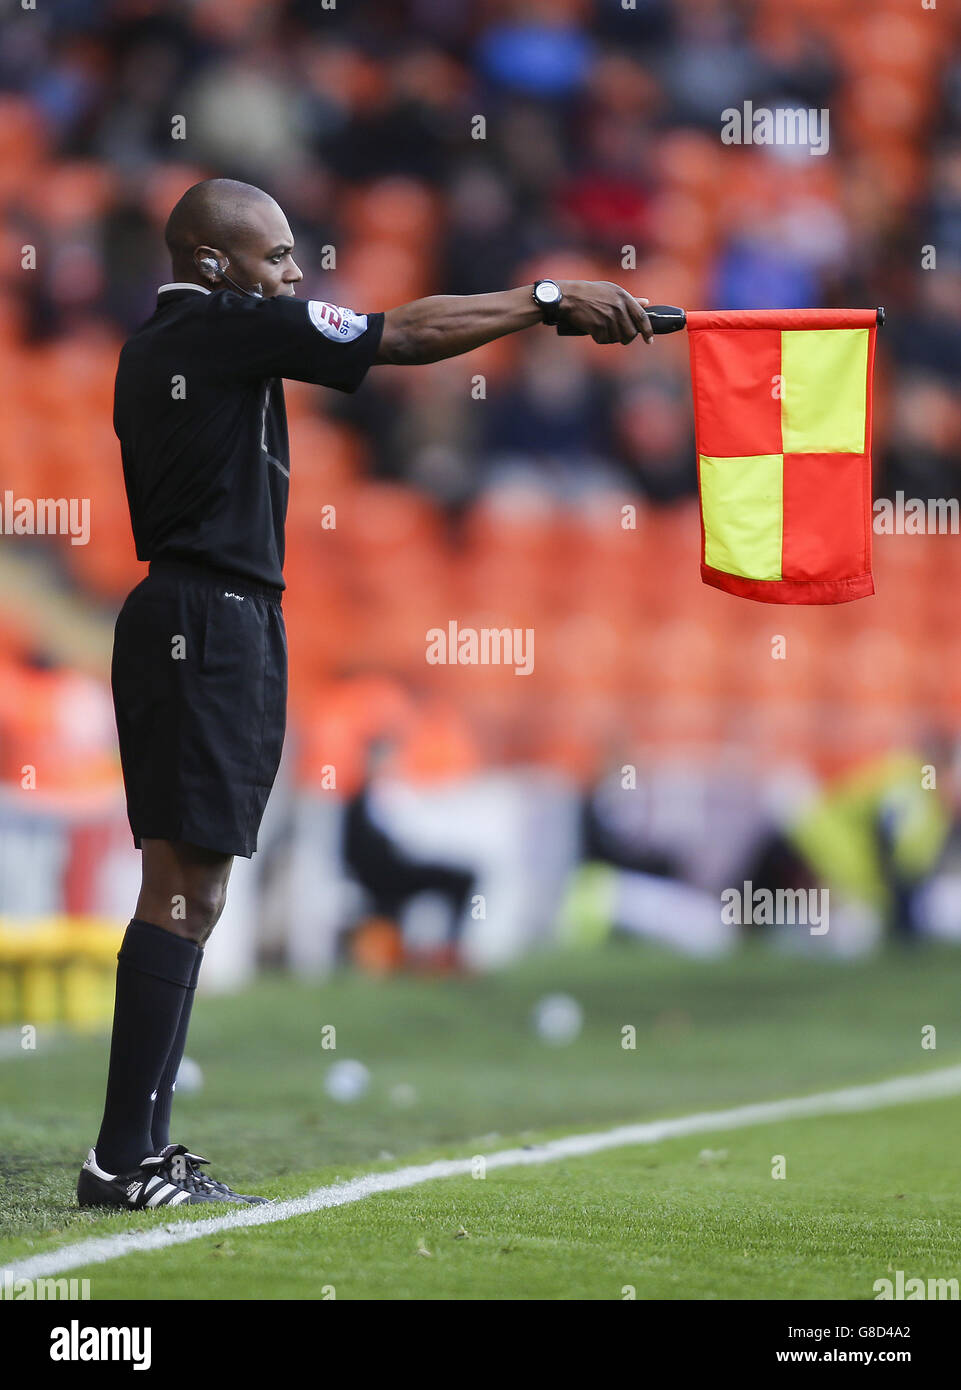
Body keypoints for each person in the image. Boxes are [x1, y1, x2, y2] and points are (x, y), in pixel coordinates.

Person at [79, 177, 654, 1209]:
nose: (296, 276)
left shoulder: (174, 348)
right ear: (214, 264)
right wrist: (542, 300)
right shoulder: (216, 331)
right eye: (278, 258)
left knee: (185, 888)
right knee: (185, 889)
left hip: (194, 613)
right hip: (210, 620)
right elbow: (401, 336)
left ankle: (135, 1151)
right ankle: (125, 1158)